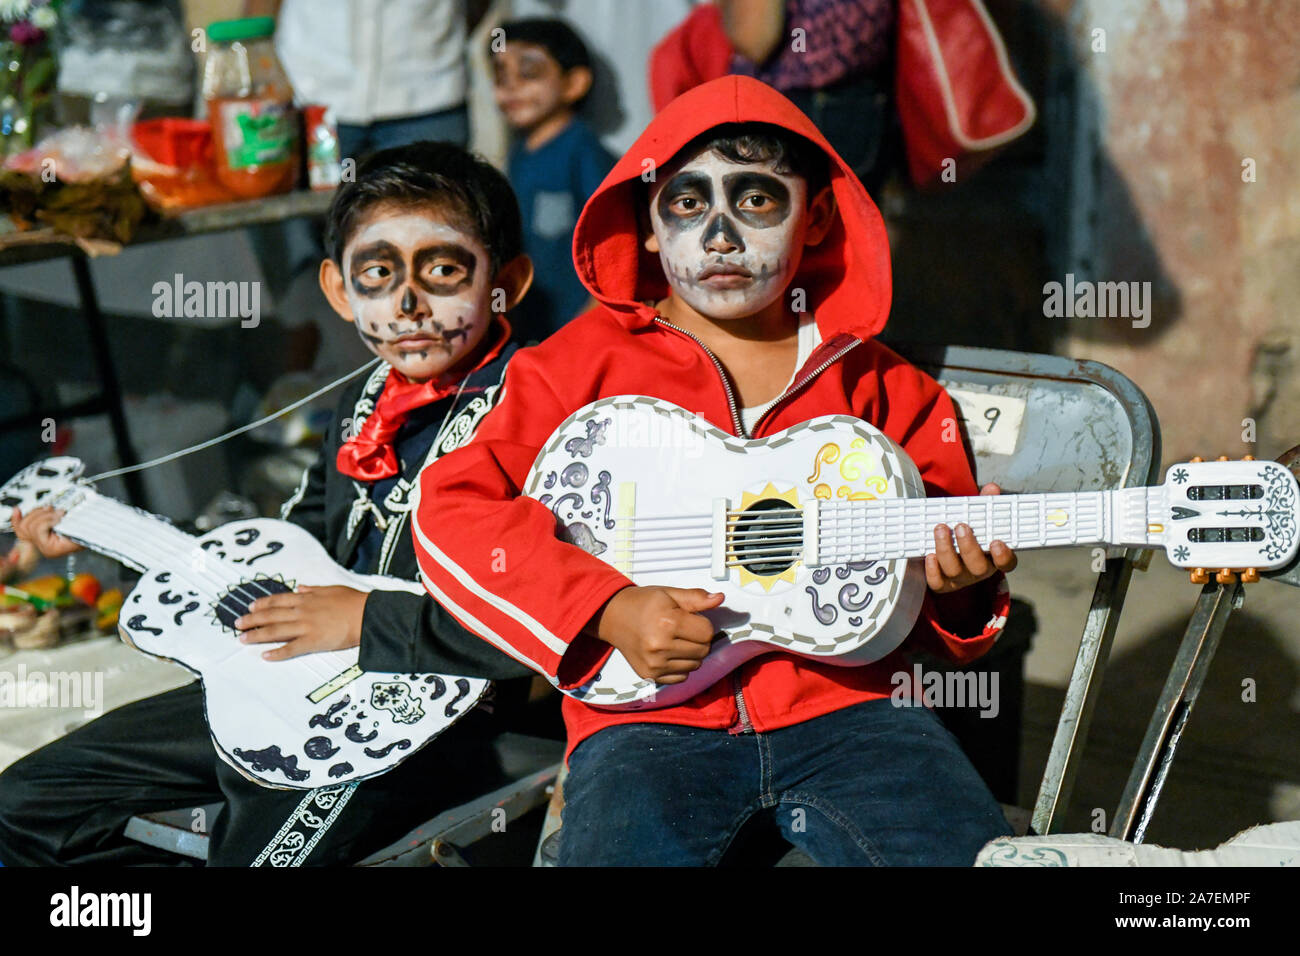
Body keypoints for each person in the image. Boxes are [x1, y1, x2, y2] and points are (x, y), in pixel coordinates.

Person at [410, 75, 1018, 866]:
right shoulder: (570, 370)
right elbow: (451, 510)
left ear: (818, 216)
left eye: (757, 200)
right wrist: (606, 607)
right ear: (648, 225)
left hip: (865, 714)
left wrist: (960, 585)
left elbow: (946, 596)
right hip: (645, 731)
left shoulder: (882, 386)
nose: (720, 235)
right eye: (687, 203)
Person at [0, 141, 538, 867]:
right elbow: (293, 547)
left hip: (418, 722)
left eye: (442, 271)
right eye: (378, 274)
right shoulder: (361, 402)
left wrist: (366, 619)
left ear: (507, 281)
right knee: (21, 807)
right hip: (282, 687)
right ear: (340, 290)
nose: (408, 304)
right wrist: (100, 529)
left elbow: (552, 611)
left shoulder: (543, 415)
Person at [491, 18, 614, 341]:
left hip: (579, 326)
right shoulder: (518, 152)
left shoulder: (583, 151)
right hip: (531, 324)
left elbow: (611, 246)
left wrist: (589, 322)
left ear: (574, 83)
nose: (511, 86)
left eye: (529, 73)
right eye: (500, 76)